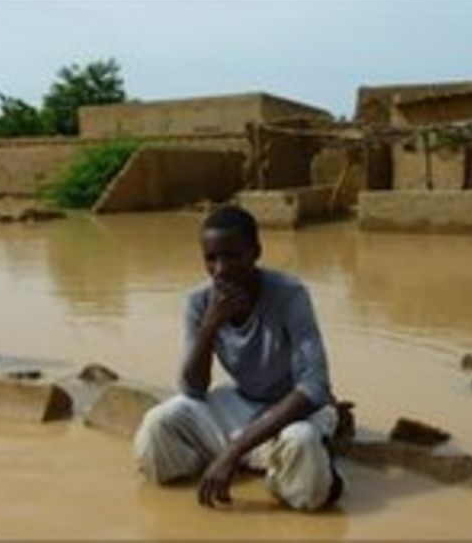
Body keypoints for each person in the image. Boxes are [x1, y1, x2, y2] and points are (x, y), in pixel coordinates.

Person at [133, 205, 344, 511]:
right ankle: (256, 462)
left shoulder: (289, 294)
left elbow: (314, 386)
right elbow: (193, 389)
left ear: (255, 252)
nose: (220, 269)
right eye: (211, 258)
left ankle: (291, 469)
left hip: (292, 408)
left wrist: (232, 451)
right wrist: (209, 326)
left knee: (302, 443)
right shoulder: (199, 301)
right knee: (157, 425)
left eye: (231, 256)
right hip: (242, 402)